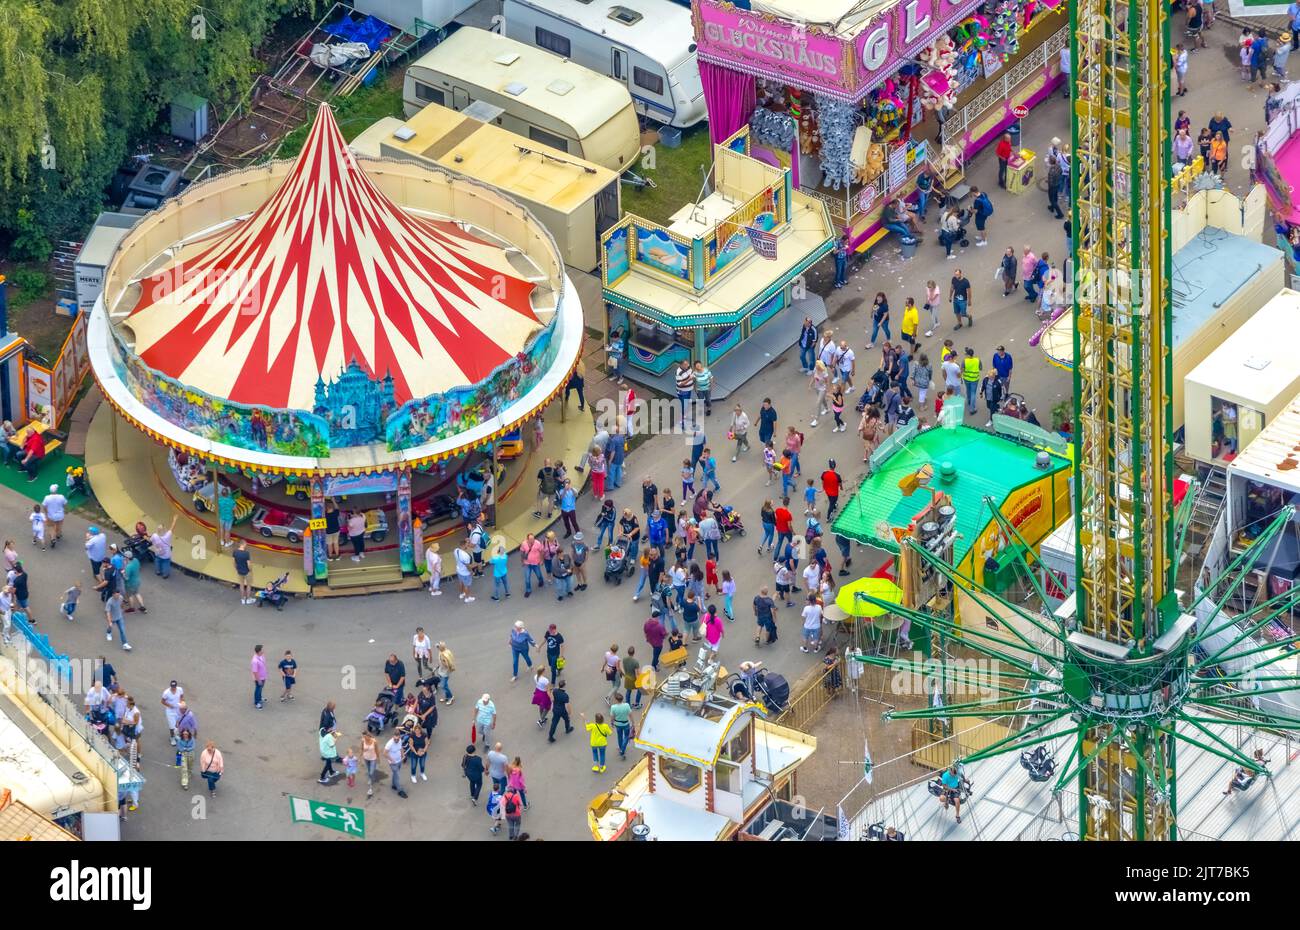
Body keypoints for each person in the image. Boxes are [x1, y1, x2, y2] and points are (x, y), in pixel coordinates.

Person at [384, 731, 408, 798]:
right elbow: (384, 753)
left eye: (397, 739)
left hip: (399, 760)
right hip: (393, 763)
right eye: (395, 739)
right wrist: (392, 760)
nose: (396, 740)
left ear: (399, 737)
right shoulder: (389, 744)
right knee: (397, 775)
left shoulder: (400, 740)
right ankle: (400, 791)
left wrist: (403, 754)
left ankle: (394, 785)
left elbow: (401, 748)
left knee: (395, 774)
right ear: (393, 737)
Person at [962, 348, 981, 415]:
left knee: (968, 390)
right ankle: (972, 409)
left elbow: (962, 370)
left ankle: (969, 401)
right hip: (975, 379)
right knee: (973, 393)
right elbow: (980, 368)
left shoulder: (964, 361)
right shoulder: (977, 360)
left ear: (968, 355)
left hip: (966, 379)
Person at [251, 644, 267, 709]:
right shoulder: (255, 661)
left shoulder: (261, 656)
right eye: (262, 649)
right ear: (259, 651)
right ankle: (257, 702)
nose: (264, 650)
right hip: (259, 678)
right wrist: (258, 680)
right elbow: (255, 671)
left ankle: (260, 698)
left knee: (260, 688)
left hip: (263, 676)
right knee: (258, 689)